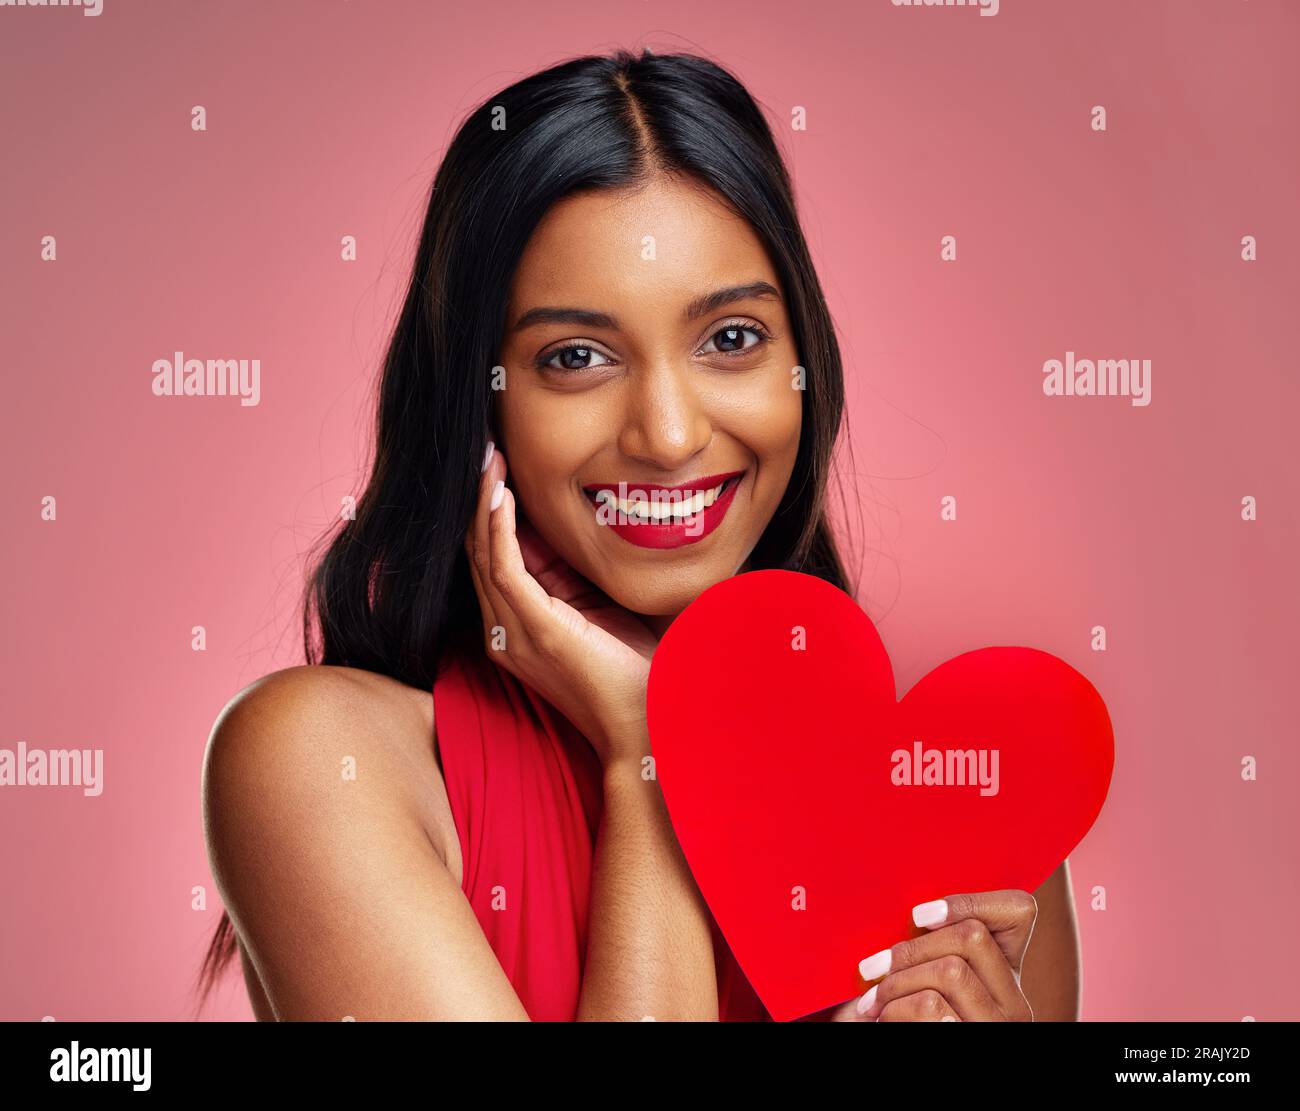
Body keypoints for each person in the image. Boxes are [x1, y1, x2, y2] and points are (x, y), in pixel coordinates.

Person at [199, 48, 1080, 1021]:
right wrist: (642, 753)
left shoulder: (962, 804)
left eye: (731, 338)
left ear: (804, 360)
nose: (666, 434)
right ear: (476, 401)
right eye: (575, 357)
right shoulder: (319, 758)